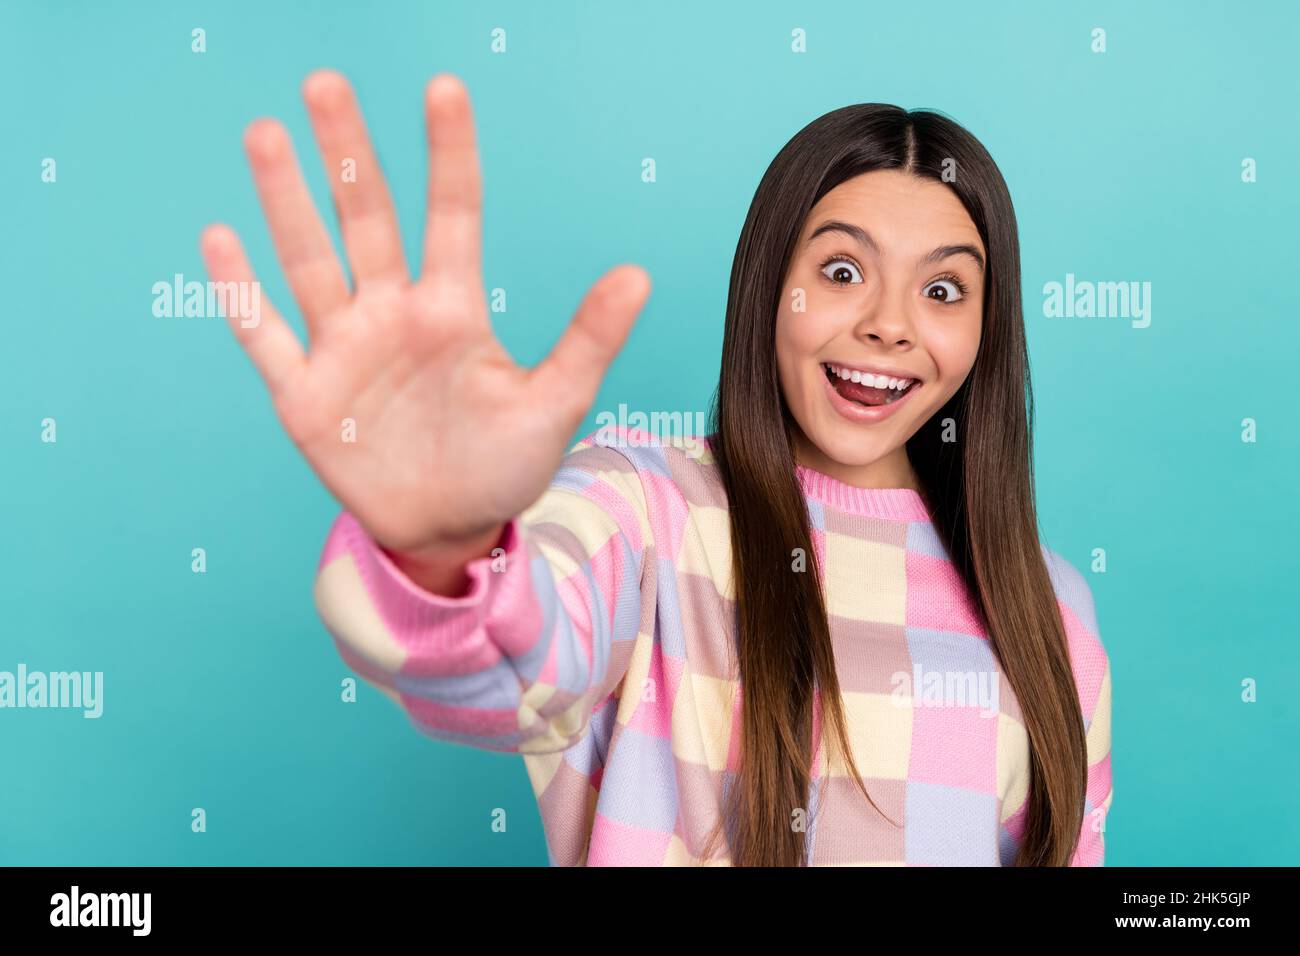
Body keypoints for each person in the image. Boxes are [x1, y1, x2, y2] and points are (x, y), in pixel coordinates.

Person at [199, 69, 1112, 867]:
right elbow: (514, 674)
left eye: (943, 289)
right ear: (770, 287)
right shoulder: (643, 506)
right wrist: (446, 549)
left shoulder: (1049, 605)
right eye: (841, 271)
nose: (890, 323)